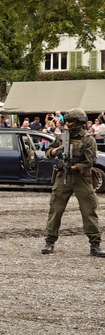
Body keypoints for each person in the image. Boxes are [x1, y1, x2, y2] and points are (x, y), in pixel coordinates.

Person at [43, 108, 105, 257]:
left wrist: (73, 167)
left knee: (89, 210)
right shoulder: (63, 137)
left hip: (81, 178)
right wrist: (56, 151)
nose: (67, 124)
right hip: (62, 177)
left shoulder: (88, 139)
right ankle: (49, 242)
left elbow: (90, 162)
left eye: (70, 121)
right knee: (55, 210)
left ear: (79, 123)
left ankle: (95, 244)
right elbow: (48, 152)